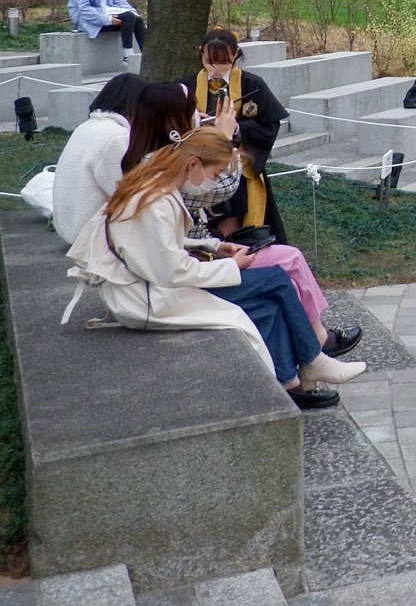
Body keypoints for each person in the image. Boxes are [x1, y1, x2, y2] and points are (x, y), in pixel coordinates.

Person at [64, 127, 366, 410]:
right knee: (274, 278)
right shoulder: (154, 200)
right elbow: (171, 271)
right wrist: (230, 265)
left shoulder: (152, 185)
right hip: (148, 297)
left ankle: (290, 382)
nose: (215, 178)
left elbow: (154, 246)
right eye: (215, 172)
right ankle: (312, 359)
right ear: (194, 163)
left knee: (266, 302)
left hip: (146, 288)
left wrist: (214, 246)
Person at [127, 80, 360, 359]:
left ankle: (313, 349)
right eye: (191, 110)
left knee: (288, 261)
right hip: (192, 266)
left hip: (202, 252)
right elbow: (222, 188)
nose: (199, 115)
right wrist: (224, 139)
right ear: (172, 118)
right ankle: (314, 349)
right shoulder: (163, 163)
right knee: (283, 270)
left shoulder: (150, 157)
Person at [180, 29, 289, 244]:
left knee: (235, 206)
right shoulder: (187, 86)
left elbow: (270, 125)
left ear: (236, 55)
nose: (216, 69)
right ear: (200, 54)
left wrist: (236, 128)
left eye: (223, 63)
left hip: (240, 165)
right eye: (209, 62)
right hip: (198, 167)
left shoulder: (252, 85)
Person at [51, 73, 145, 244]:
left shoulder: (87, 127)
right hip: (91, 235)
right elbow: (127, 194)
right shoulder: (116, 138)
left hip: (71, 226)